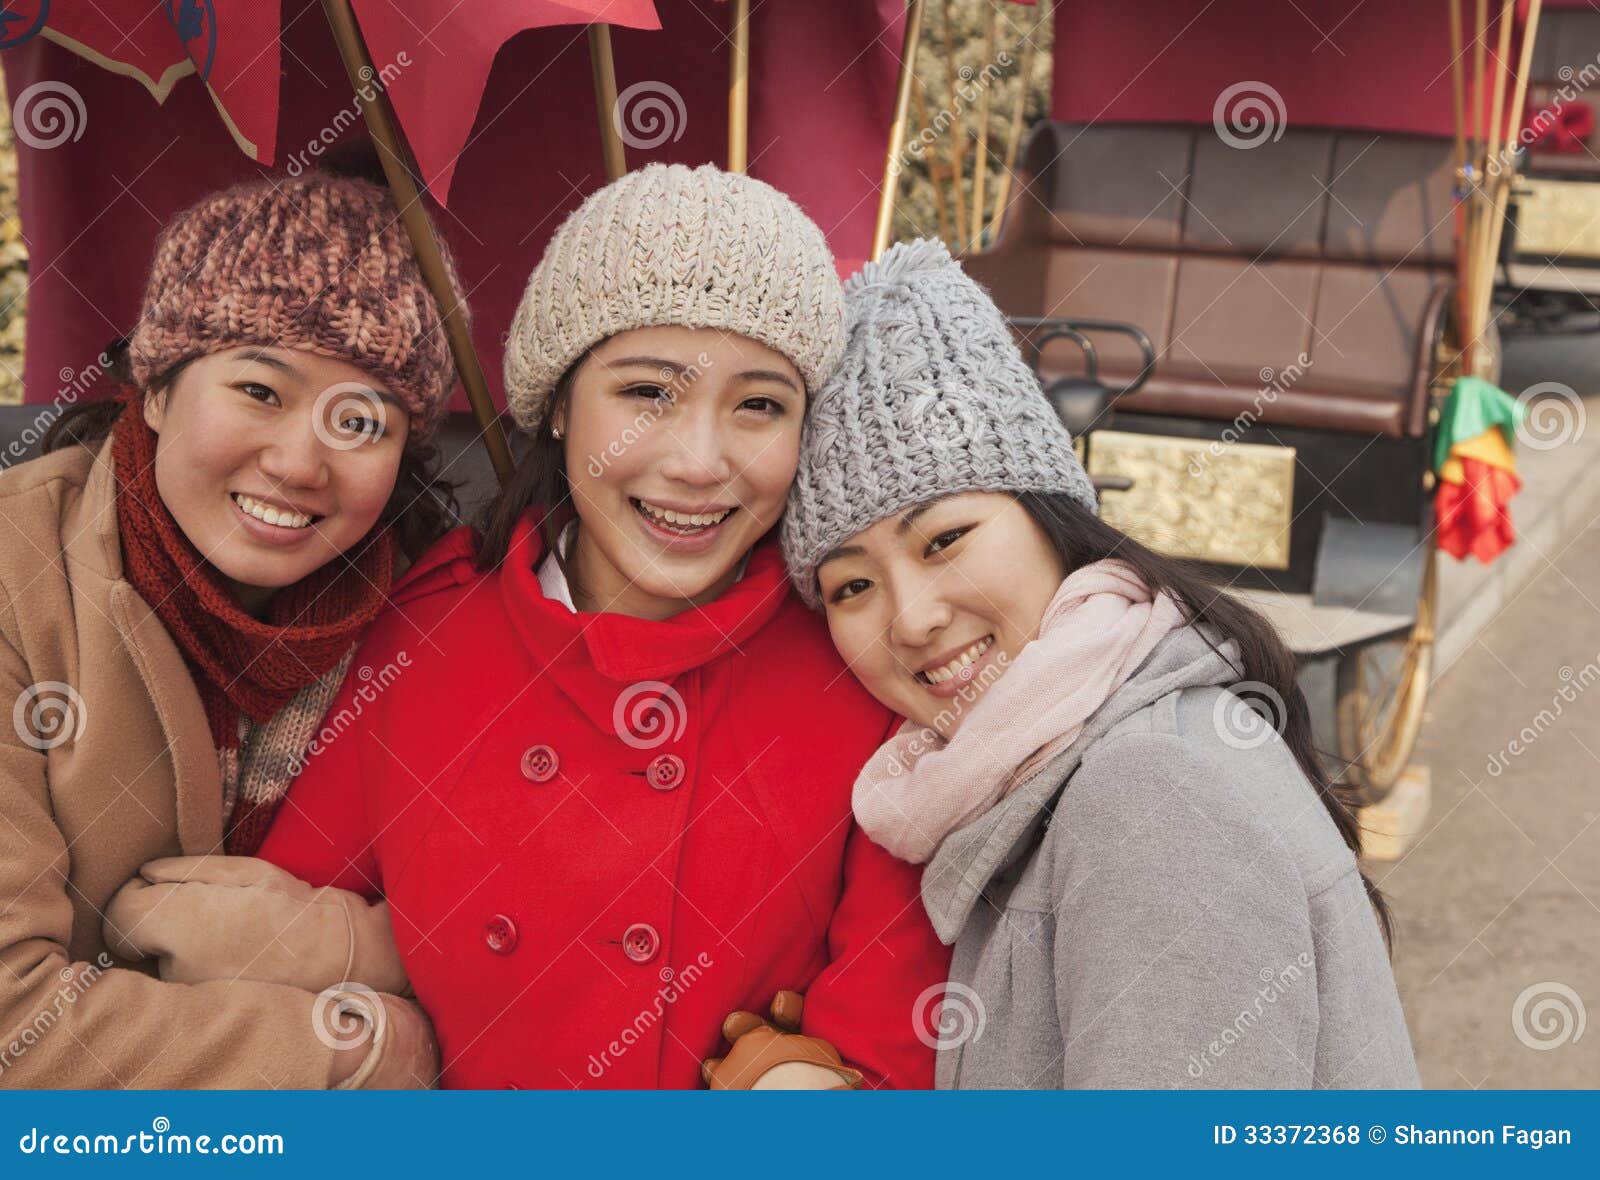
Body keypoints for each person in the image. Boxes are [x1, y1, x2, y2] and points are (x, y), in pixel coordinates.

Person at [202, 163, 952, 1088]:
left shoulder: (856, 663)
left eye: (760, 405)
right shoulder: (425, 636)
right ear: (557, 403)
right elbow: (299, 928)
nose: (698, 461)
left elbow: (896, 1039)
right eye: (647, 393)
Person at [779, 238, 1420, 1089]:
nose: (913, 620)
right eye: (852, 585)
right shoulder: (1040, 763)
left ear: (1051, 518)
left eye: (945, 540)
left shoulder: (1151, 796)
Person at [0, 169, 464, 1089]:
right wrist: (355, 1049)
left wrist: (355, 950)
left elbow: (527, 935)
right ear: (160, 389)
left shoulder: (439, 616)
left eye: (361, 420)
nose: (299, 462)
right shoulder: (18, 580)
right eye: (260, 389)